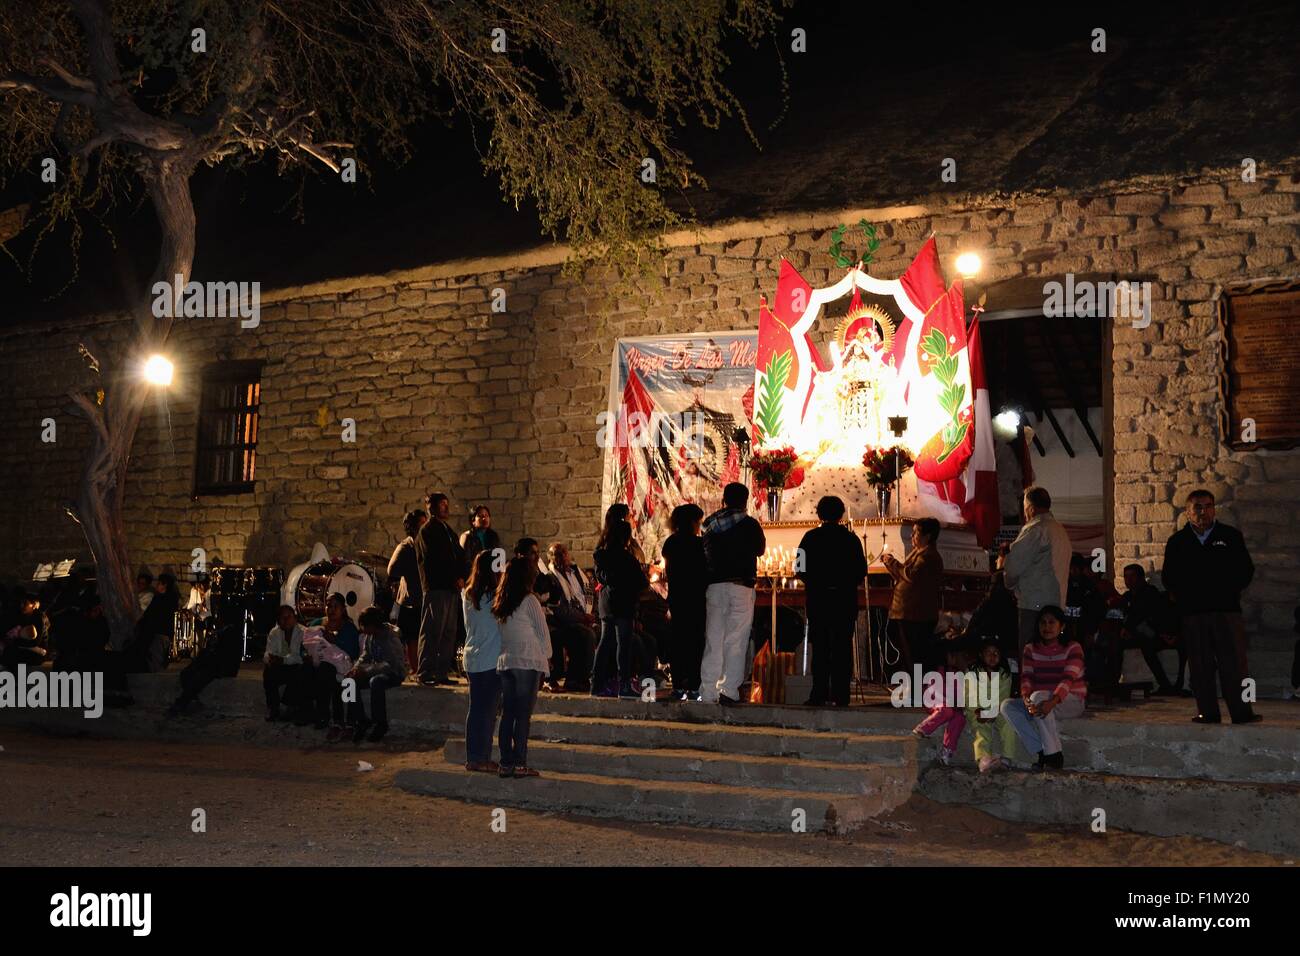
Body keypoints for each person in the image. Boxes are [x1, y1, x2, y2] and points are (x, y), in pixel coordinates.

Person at [1160, 489, 1260, 725]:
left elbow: (1246, 571)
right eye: (1197, 507)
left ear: (1214, 509)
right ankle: (1208, 712)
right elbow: (1169, 578)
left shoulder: (1231, 536)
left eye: (1208, 506)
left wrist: (1226, 590)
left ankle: (1242, 712)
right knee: (1200, 664)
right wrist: (1188, 597)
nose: (1203, 511)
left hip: (1226, 611)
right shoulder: (1178, 542)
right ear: (1188, 511)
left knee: (1234, 663)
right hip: (1194, 614)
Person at [797, 496, 868, 707]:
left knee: (820, 649)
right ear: (841, 514)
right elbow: (861, 571)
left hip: (819, 599)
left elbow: (799, 568)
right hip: (844, 600)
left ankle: (818, 693)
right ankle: (841, 695)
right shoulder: (852, 539)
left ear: (819, 513)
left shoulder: (809, 538)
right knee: (842, 648)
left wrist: (817, 581)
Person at [700, 482, 766, 706]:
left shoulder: (709, 525)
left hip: (715, 587)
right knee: (735, 640)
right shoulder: (749, 524)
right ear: (745, 501)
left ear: (723, 500)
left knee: (713, 639)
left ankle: (708, 691)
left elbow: (704, 554)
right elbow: (760, 549)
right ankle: (728, 690)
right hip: (740, 587)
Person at [1000, 605, 1086, 770]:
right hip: (1040, 701)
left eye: (1051, 623)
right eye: (1043, 623)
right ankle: (1041, 750)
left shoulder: (1073, 647)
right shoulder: (1030, 648)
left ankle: (1054, 756)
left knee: (1038, 696)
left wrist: (1052, 702)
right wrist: (1026, 701)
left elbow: (1068, 679)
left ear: (1062, 626)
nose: (1046, 627)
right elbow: (1027, 678)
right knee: (1007, 706)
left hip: (1068, 701)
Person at [493, 556, 552, 778]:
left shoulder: (502, 601)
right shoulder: (529, 600)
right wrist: (546, 658)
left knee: (508, 714)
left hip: (507, 661)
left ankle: (505, 762)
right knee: (523, 716)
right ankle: (519, 763)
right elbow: (543, 632)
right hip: (527, 661)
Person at [999, 486, 1072, 659]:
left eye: (1025, 509)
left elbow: (1014, 567)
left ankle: (1030, 687)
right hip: (1057, 604)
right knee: (1052, 656)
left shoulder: (1036, 530)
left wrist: (1007, 580)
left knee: (1031, 656)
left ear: (1030, 508)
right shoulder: (1060, 530)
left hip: (1034, 606)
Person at [592, 519, 649, 699]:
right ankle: (624, 684)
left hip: (607, 603)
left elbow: (601, 578)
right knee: (623, 645)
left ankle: (596, 684)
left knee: (605, 642)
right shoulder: (628, 558)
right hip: (624, 604)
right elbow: (642, 584)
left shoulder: (600, 555)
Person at [882, 517, 944, 677]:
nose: (912, 536)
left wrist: (893, 562)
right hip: (907, 613)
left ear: (927, 536)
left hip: (916, 615)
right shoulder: (917, 553)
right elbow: (902, 576)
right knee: (908, 654)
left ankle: (917, 689)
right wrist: (889, 564)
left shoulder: (928, 556)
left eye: (916, 532)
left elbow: (911, 575)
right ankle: (914, 686)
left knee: (915, 656)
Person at [416, 491, 466, 686]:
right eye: (442, 504)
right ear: (432, 508)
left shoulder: (447, 530)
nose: (446, 507)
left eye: (447, 503)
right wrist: (453, 577)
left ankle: (442, 672)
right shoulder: (428, 531)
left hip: (451, 589)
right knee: (432, 630)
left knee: (448, 631)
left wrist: (461, 576)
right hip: (437, 587)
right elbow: (436, 560)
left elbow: (458, 555)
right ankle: (426, 672)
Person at [462, 550, 503, 772]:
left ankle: (473, 756)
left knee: (476, 709)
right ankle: (481, 758)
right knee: (487, 712)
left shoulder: (468, 594)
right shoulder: (493, 596)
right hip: (490, 658)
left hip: (473, 657)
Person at [662, 504, 707, 701]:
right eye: (698, 522)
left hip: (677, 598)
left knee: (678, 641)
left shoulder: (671, 543)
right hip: (695, 598)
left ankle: (679, 684)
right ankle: (695, 684)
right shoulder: (698, 544)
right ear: (692, 522)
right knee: (696, 642)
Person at [1119, 563, 1184, 695]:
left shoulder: (1149, 592)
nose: (1128, 580)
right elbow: (1123, 616)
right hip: (1139, 635)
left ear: (1141, 578)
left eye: (1132, 576)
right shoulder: (1126, 597)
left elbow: (1146, 614)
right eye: (1126, 577)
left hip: (1155, 634)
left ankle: (1174, 685)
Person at [542, 542, 597, 694]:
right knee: (585, 635)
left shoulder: (578, 574)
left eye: (563, 553)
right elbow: (559, 610)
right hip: (561, 623)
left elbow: (591, 594)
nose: (561, 557)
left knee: (606, 631)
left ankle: (602, 677)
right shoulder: (550, 579)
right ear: (550, 559)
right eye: (556, 555)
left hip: (583, 617)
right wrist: (582, 617)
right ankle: (576, 680)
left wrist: (592, 615)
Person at [348, 606, 408, 743]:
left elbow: (391, 664)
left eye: (364, 625)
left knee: (376, 682)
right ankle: (359, 720)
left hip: (394, 672)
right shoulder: (370, 637)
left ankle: (380, 723)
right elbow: (366, 655)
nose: (362, 629)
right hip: (376, 670)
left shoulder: (389, 637)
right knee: (349, 683)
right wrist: (356, 668)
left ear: (372, 625)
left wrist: (367, 671)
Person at [310, 592, 361, 739]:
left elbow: (352, 653)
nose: (331, 609)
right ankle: (323, 717)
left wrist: (334, 641)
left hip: (341, 667)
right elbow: (306, 643)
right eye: (328, 605)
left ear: (343, 609)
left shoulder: (349, 628)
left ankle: (347, 722)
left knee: (344, 681)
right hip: (319, 665)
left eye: (335, 606)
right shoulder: (317, 624)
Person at [964, 638, 1018, 773]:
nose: (992, 656)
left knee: (1008, 723)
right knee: (982, 728)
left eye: (996, 653)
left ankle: (1007, 758)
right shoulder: (972, 672)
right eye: (988, 653)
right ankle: (983, 759)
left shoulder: (1004, 674)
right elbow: (969, 695)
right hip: (977, 709)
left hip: (997, 709)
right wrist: (978, 711)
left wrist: (994, 712)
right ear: (981, 655)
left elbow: (1004, 696)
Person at [388, 508, 427, 677]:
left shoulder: (425, 544)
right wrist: (411, 569)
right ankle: (416, 669)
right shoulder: (406, 546)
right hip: (411, 599)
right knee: (413, 637)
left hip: (425, 597)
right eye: (422, 523)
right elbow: (392, 570)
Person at [126, 573, 179, 673]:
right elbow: (149, 613)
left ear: (165, 585)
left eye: (159, 583)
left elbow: (161, 617)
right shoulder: (157, 598)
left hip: (160, 631)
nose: (157, 586)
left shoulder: (169, 599)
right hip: (151, 629)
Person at [263, 604, 307, 721]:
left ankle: (292, 706)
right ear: (278, 620)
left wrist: (283, 660)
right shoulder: (274, 632)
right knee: (268, 672)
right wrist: (270, 660)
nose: (286, 620)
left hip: (296, 666)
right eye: (283, 617)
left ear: (295, 617)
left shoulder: (303, 632)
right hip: (281, 665)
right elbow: (268, 652)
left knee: (300, 671)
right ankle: (273, 708)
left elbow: (300, 657)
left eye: (289, 616)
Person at [460, 505, 504, 575]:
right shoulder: (467, 536)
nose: (484, 518)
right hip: (474, 576)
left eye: (486, 515)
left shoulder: (493, 536)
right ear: (473, 521)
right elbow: (465, 561)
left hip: (491, 576)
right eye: (480, 516)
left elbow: (499, 558)